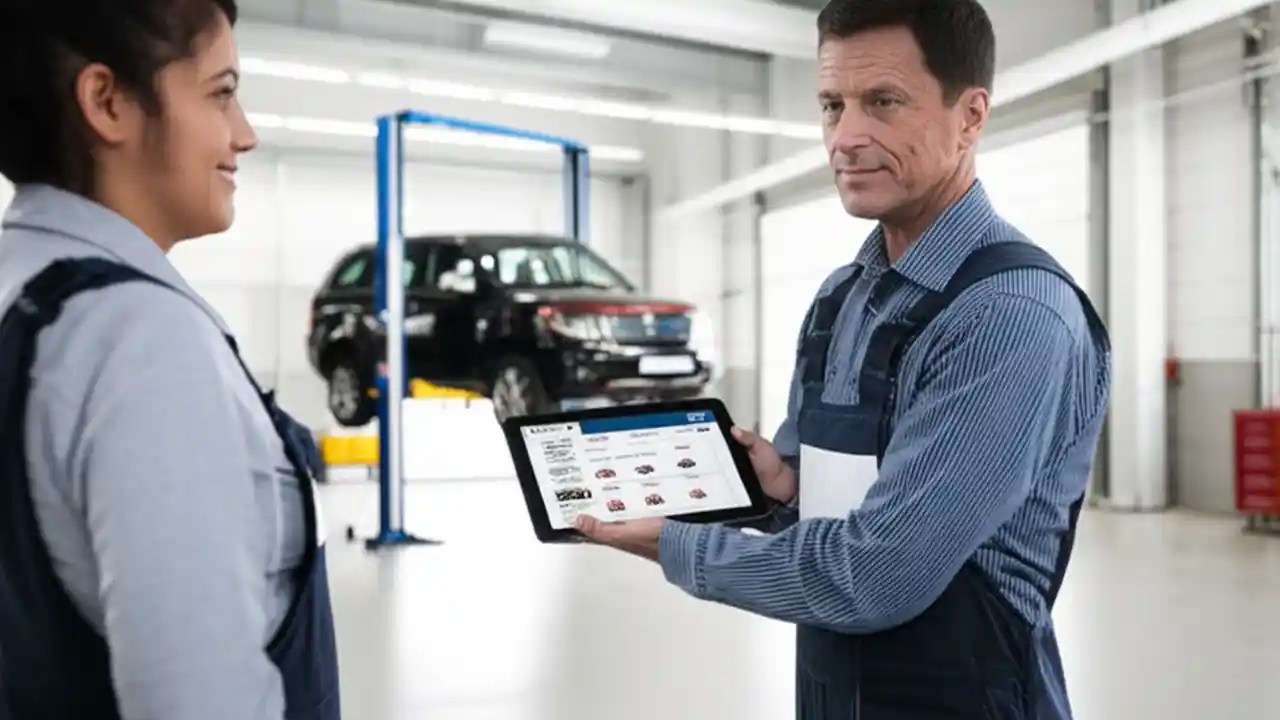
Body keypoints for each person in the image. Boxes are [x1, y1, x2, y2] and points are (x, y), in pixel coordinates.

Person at [575, 1, 1112, 718]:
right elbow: (833, 520)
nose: (847, 136)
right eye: (832, 105)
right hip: (836, 690)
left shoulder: (1010, 316)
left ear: (970, 116)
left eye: (884, 102)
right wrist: (782, 490)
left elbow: (875, 576)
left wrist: (676, 546)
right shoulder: (842, 300)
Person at [0, 2, 340, 719]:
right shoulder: (139, 338)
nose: (243, 134)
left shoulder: (18, 287)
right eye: (221, 92)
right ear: (107, 101)